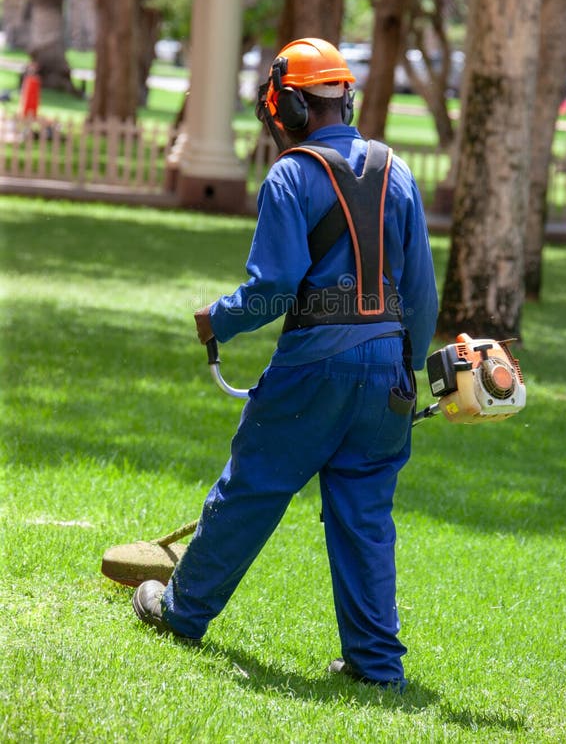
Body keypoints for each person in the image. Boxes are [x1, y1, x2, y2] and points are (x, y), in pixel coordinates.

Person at [132, 37, 438, 690]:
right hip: (388, 374)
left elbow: (273, 288)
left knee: (252, 488)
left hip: (314, 372)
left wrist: (218, 319)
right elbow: (421, 296)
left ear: (292, 107)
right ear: (344, 99)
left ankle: (182, 612)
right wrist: (405, 376)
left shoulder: (292, 175)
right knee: (364, 517)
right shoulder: (399, 173)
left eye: (278, 108)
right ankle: (376, 667)